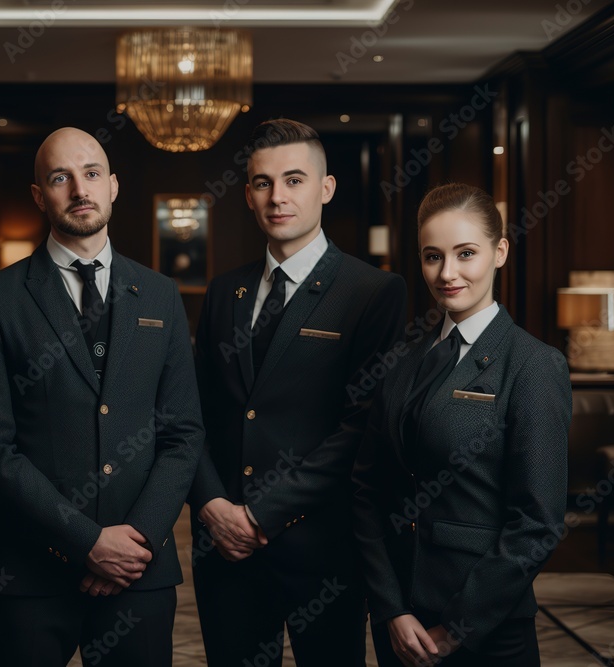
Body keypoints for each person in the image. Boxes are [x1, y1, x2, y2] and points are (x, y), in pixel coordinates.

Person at [0, 127, 204, 666]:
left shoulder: (161, 294)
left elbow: (183, 434)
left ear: (113, 186)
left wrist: (134, 543)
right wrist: (88, 542)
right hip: (26, 573)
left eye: (91, 174)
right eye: (60, 177)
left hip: (141, 572)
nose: (79, 189)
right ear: (39, 195)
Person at [188, 118, 407, 666]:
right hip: (224, 547)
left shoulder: (372, 291)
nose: (277, 197)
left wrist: (259, 515)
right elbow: (193, 415)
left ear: (325, 188)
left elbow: (361, 426)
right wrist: (214, 506)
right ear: (247, 195)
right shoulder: (223, 291)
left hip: (323, 547)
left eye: (294, 180)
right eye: (263, 183)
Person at [352, 183, 571, 666]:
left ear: (500, 252)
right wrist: (390, 608)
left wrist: (454, 630)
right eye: (433, 257)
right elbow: (368, 490)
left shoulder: (533, 365)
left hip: (483, 629)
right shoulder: (403, 361)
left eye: (465, 253)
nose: (447, 273)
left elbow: (538, 523)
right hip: (400, 626)